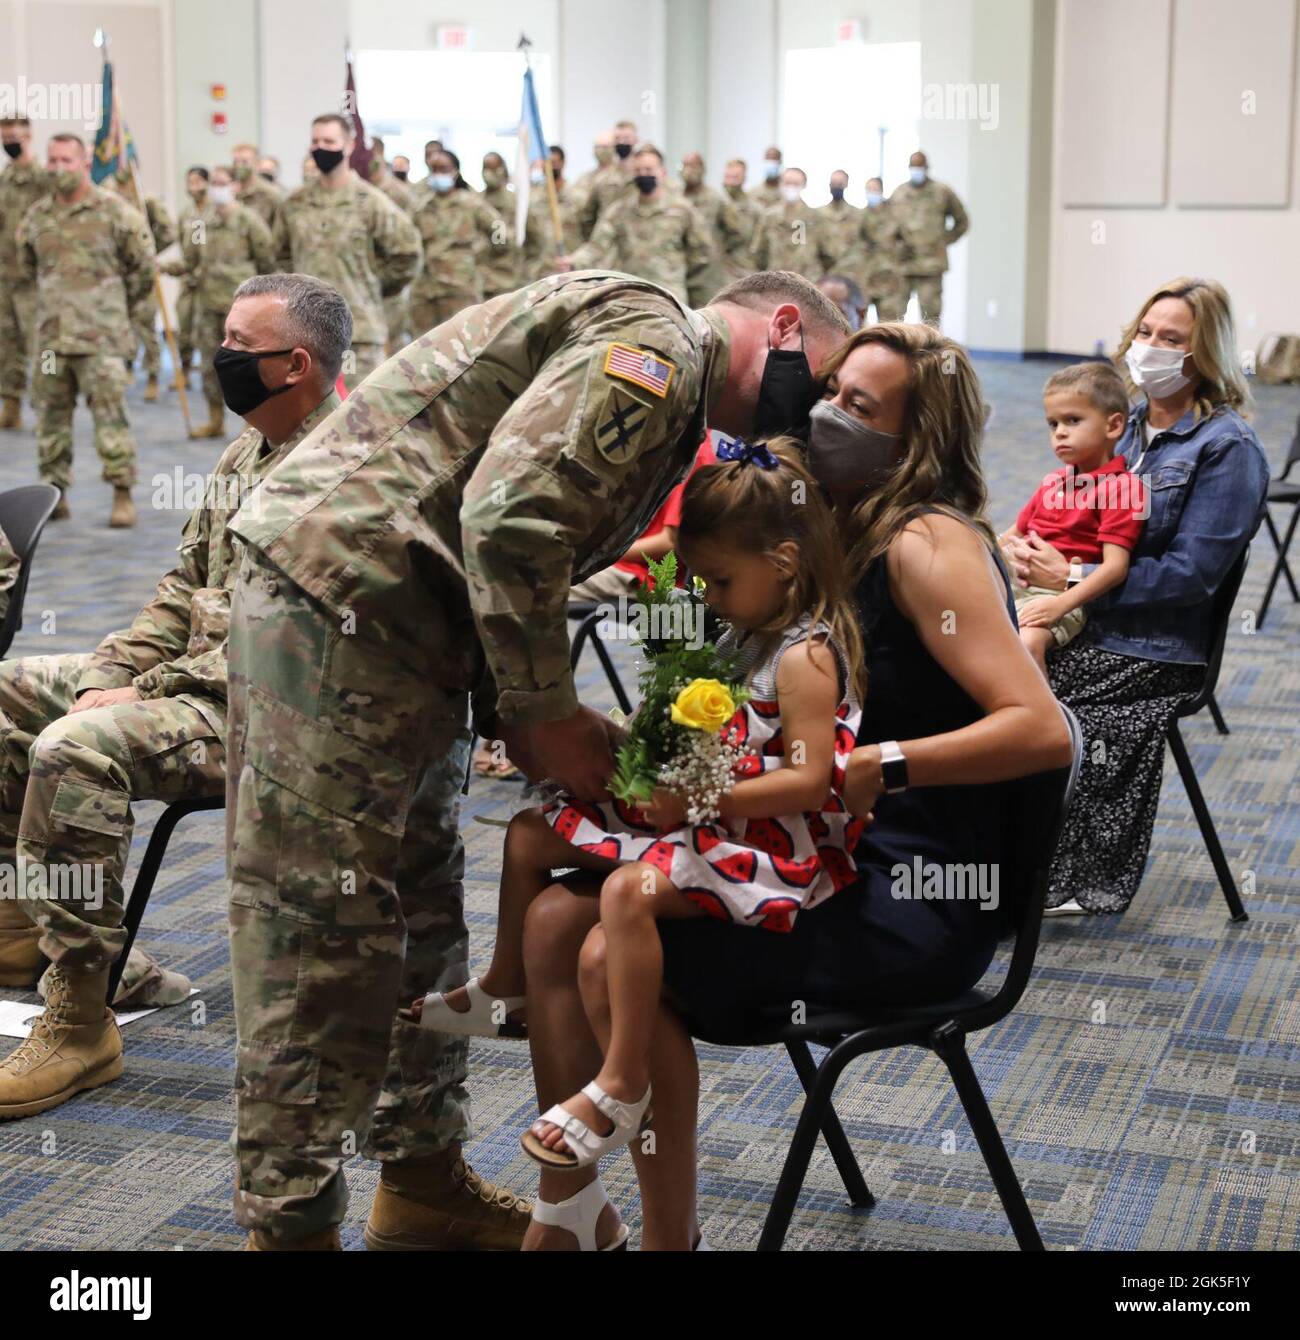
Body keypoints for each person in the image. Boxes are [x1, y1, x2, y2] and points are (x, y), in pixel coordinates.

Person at [221, 269, 850, 1248]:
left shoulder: (674, 397)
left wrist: (541, 706)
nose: (814, 409)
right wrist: (542, 709)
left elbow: (528, 535)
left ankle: (420, 1177)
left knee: (419, 905)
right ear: (779, 326)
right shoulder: (655, 348)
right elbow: (510, 519)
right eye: (821, 377)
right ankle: (288, 1226)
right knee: (319, 927)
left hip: (411, 625)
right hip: (339, 599)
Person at [513, 320, 1072, 1250]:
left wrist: (882, 765)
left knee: (610, 954)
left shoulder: (925, 543)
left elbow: (1042, 728)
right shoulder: (825, 522)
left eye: (862, 406)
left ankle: (666, 1242)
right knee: (549, 919)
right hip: (808, 849)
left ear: (917, 437)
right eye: (832, 392)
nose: (829, 416)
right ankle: (571, 1211)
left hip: (909, 884)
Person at [416, 438, 866, 1178]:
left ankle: (622, 1080)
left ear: (783, 562)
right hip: (712, 812)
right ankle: (506, 988)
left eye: (719, 580)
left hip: (772, 846)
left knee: (629, 892)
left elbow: (810, 783)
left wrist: (701, 796)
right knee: (530, 834)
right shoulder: (741, 634)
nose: (707, 597)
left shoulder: (805, 657)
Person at [0, 274, 350, 1121]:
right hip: (200, 678)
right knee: (10, 690)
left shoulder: (348, 477)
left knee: (74, 748)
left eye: (237, 345)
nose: (217, 357)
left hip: (285, 715)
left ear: (294, 364)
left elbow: (273, 654)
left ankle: (84, 1018)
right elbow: (182, 590)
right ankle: (34, 933)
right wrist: (104, 675)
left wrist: (127, 697)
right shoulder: (253, 447)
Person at [1005, 278, 1269, 915]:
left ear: (1205, 353)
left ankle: (1046, 871)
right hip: (1086, 618)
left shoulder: (1228, 449)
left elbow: (1191, 577)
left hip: (1158, 645)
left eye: (1172, 338)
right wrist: (1024, 547)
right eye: (1146, 332)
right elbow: (1064, 517)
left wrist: (1066, 578)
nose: (1151, 347)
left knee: (1023, 699)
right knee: (969, 668)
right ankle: (990, 855)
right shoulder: (1117, 430)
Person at [17, 134, 153, 528]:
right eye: (53, 160)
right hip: (51, 340)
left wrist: (113, 306)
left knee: (111, 419)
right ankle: (54, 493)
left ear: (85, 162)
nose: (59, 168)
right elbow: (26, 270)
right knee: (49, 419)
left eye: (67, 160)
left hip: (102, 339)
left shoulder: (115, 212)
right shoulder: (37, 216)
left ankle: (122, 491)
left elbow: (143, 269)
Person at [1000, 361, 1145, 675]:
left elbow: (1115, 568)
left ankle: (1041, 720)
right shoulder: (1053, 481)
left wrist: (1059, 606)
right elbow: (1010, 536)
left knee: (1027, 644)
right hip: (1015, 585)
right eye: (1053, 424)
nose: (1060, 432)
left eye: (1072, 420)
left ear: (1113, 426)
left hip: (1061, 596)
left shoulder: (1123, 489)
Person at [273, 114, 421, 384]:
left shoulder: (371, 202)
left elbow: (407, 254)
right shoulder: (294, 203)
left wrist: (373, 287)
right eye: (315, 141)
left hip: (358, 333)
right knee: (307, 420)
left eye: (329, 141)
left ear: (349, 145)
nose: (321, 148)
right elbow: (280, 254)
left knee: (357, 418)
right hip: (305, 331)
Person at [159, 164, 275, 440]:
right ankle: (215, 420)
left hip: (243, 310)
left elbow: (268, 263)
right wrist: (162, 266)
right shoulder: (201, 223)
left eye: (224, 183)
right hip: (208, 305)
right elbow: (190, 262)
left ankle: (253, 425)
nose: (217, 189)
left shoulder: (249, 221)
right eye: (215, 184)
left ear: (235, 186)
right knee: (211, 366)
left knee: (248, 367)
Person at [562, 144, 714, 307]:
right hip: (630, 297)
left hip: (670, 299)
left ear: (662, 173)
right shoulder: (620, 211)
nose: (643, 175)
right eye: (639, 170)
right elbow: (597, 246)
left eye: (649, 170)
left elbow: (701, 256)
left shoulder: (682, 211)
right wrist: (574, 261)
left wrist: (697, 300)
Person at [408, 148, 503, 332]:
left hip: (460, 288)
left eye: (443, 169)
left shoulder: (471, 203)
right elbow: (408, 243)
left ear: (455, 171)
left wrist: (483, 260)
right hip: (426, 291)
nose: (438, 174)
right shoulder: (421, 207)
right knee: (424, 347)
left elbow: (500, 230)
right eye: (434, 169)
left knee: (464, 343)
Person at [0, 116, 50, 431]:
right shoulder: (5, 178)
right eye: (4, 138)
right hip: (6, 277)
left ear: (29, 137)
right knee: (7, 345)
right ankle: (11, 405)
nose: (9, 143)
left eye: (14, 137)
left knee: (40, 347)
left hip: (35, 280)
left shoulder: (44, 179)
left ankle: (46, 411)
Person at [110, 171, 175, 402]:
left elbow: (169, 232)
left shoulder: (147, 201)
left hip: (142, 275)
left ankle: (153, 377)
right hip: (117, 276)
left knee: (146, 327)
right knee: (120, 325)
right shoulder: (108, 199)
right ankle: (125, 367)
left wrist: (149, 252)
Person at [889, 151, 968, 323]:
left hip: (931, 264)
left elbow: (962, 221)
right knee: (894, 316)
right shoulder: (899, 193)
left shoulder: (942, 192)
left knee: (931, 317)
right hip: (903, 263)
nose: (917, 170)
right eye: (914, 167)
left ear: (927, 168)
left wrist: (943, 241)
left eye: (920, 167)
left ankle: (931, 349)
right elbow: (888, 227)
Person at [679, 152, 750, 298]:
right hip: (680, 270)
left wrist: (716, 250)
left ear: (703, 169)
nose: (689, 170)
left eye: (694, 166)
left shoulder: (716, 199)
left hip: (707, 275)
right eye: (685, 166)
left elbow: (737, 232)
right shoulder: (677, 198)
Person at [750, 167, 839, 281]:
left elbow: (829, 255)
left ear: (804, 185)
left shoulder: (816, 218)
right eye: (787, 183)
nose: (791, 187)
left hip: (808, 283)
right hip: (775, 283)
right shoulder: (769, 217)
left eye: (796, 183)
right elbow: (758, 253)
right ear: (781, 184)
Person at [847, 175, 907, 323]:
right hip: (864, 280)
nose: (871, 193)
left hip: (889, 281)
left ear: (881, 191)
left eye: (875, 189)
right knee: (857, 323)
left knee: (890, 326)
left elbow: (907, 243)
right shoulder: (859, 217)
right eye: (869, 189)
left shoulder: (894, 217)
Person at [171, 166, 210, 388]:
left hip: (210, 282)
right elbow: (181, 243)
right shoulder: (186, 214)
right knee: (184, 328)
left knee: (211, 333)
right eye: (190, 182)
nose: (193, 186)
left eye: (198, 181)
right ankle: (184, 371)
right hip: (189, 279)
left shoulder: (214, 212)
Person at [520, 150, 584, 282]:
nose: (550, 167)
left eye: (554, 163)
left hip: (569, 270)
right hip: (540, 273)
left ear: (562, 163)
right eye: (546, 163)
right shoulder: (533, 198)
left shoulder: (578, 197)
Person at [577, 119, 639, 236]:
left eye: (626, 138)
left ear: (636, 139)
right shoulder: (603, 178)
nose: (622, 142)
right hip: (608, 243)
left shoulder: (642, 174)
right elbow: (588, 215)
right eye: (617, 138)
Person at [478, 151, 517, 299]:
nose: (489, 173)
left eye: (493, 168)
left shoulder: (515, 201)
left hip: (507, 278)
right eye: (485, 168)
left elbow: (534, 239)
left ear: (503, 169)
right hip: (480, 277)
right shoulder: (476, 201)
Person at [231, 143, 283, 229]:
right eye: (235, 162)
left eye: (244, 162)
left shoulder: (270, 193)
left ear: (256, 164)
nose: (239, 166)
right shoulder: (230, 192)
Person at [817, 169, 859, 271]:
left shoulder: (856, 215)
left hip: (850, 269)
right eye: (834, 183)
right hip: (823, 270)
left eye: (840, 183)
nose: (836, 187)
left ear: (846, 184)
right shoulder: (818, 214)